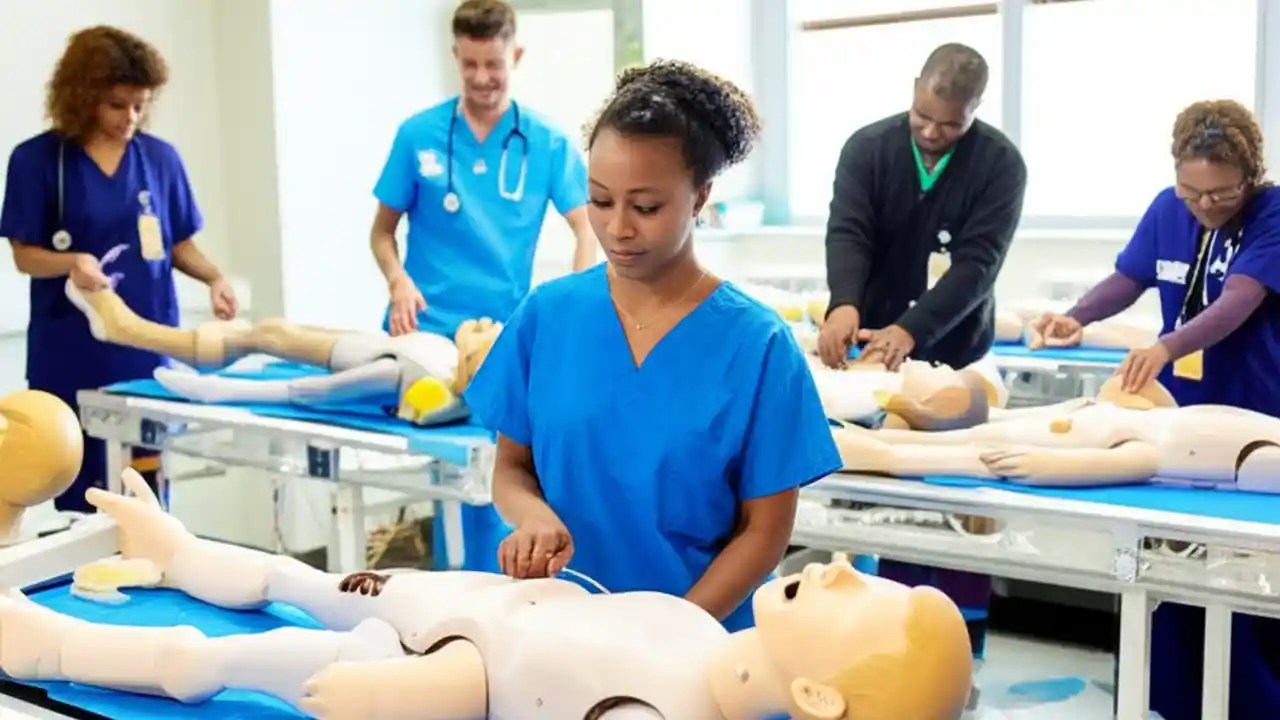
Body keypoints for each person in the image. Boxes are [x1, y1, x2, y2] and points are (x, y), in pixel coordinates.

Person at [0, 468, 973, 720]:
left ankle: (51, 648)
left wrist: (417, 699)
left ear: (814, 697)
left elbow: (534, 696)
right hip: (477, 607)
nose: (842, 568)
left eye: (857, 599)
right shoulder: (703, 635)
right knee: (301, 579)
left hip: (444, 671)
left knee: (220, 663)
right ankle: (178, 550)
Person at [461, 59, 842, 632]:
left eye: (646, 208)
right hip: (554, 629)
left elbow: (764, 533)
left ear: (699, 197)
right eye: (600, 200)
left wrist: (672, 634)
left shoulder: (758, 345)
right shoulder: (548, 315)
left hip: (700, 644)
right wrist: (532, 516)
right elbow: (511, 470)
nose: (617, 229)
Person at [1034, 99, 1280, 720]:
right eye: (1190, 192)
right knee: (1172, 577)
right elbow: (1132, 276)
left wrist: (1165, 345)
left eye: (1220, 195)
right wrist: (1077, 317)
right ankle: (1170, 703)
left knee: (1249, 588)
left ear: (1249, 178)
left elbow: (1238, 302)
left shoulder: (1273, 214)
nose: (1204, 206)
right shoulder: (1169, 209)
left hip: (1256, 420)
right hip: (1180, 423)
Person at [0, 26, 236, 512]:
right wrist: (72, 262)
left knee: (146, 494)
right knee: (79, 492)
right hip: (71, 353)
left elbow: (179, 246)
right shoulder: (38, 161)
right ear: (82, 97)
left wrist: (214, 278)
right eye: (116, 104)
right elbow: (24, 254)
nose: (130, 117)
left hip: (145, 352)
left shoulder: (160, 160)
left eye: (140, 104)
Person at [371, 0, 597, 340]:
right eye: (469, 64)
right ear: (455, 55)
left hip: (499, 332)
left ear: (516, 57)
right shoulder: (417, 134)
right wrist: (397, 281)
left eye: (493, 65)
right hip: (421, 327)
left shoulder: (548, 143)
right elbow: (381, 233)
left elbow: (588, 228)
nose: (481, 78)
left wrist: (576, 300)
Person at [817, 42, 1027, 372]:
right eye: (922, 115)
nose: (931, 132)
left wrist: (911, 329)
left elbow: (979, 262)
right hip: (871, 338)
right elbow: (849, 232)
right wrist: (843, 303)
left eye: (951, 125)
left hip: (957, 348)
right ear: (915, 88)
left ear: (976, 106)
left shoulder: (1001, 164)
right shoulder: (867, 149)